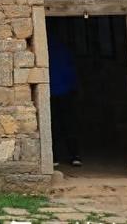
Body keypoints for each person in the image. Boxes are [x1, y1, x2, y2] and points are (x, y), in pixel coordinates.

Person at [49, 38, 82, 167]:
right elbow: (72, 71)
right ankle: (74, 156)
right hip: (66, 92)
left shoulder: (48, 48)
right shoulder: (65, 50)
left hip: (51, 92)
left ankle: (54, 157)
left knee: (54, 125)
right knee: (70, 124)